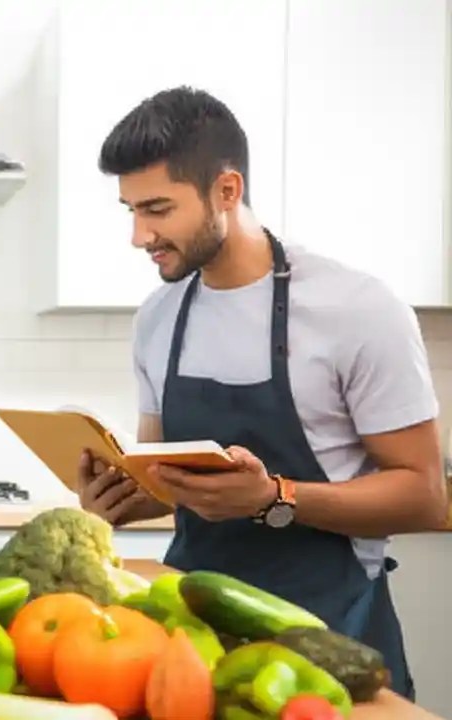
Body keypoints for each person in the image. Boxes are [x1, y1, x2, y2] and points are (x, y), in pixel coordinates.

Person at [76, 86, 447, 700]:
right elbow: (170, 479)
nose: (140, 235)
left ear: (227, 190)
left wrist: (275, 497)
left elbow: (425, 496)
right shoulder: (159, 316)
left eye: (159, 209)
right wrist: (122, 495)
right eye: (131, 210)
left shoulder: (357, 309)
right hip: (193, 633)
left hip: (329, 636)